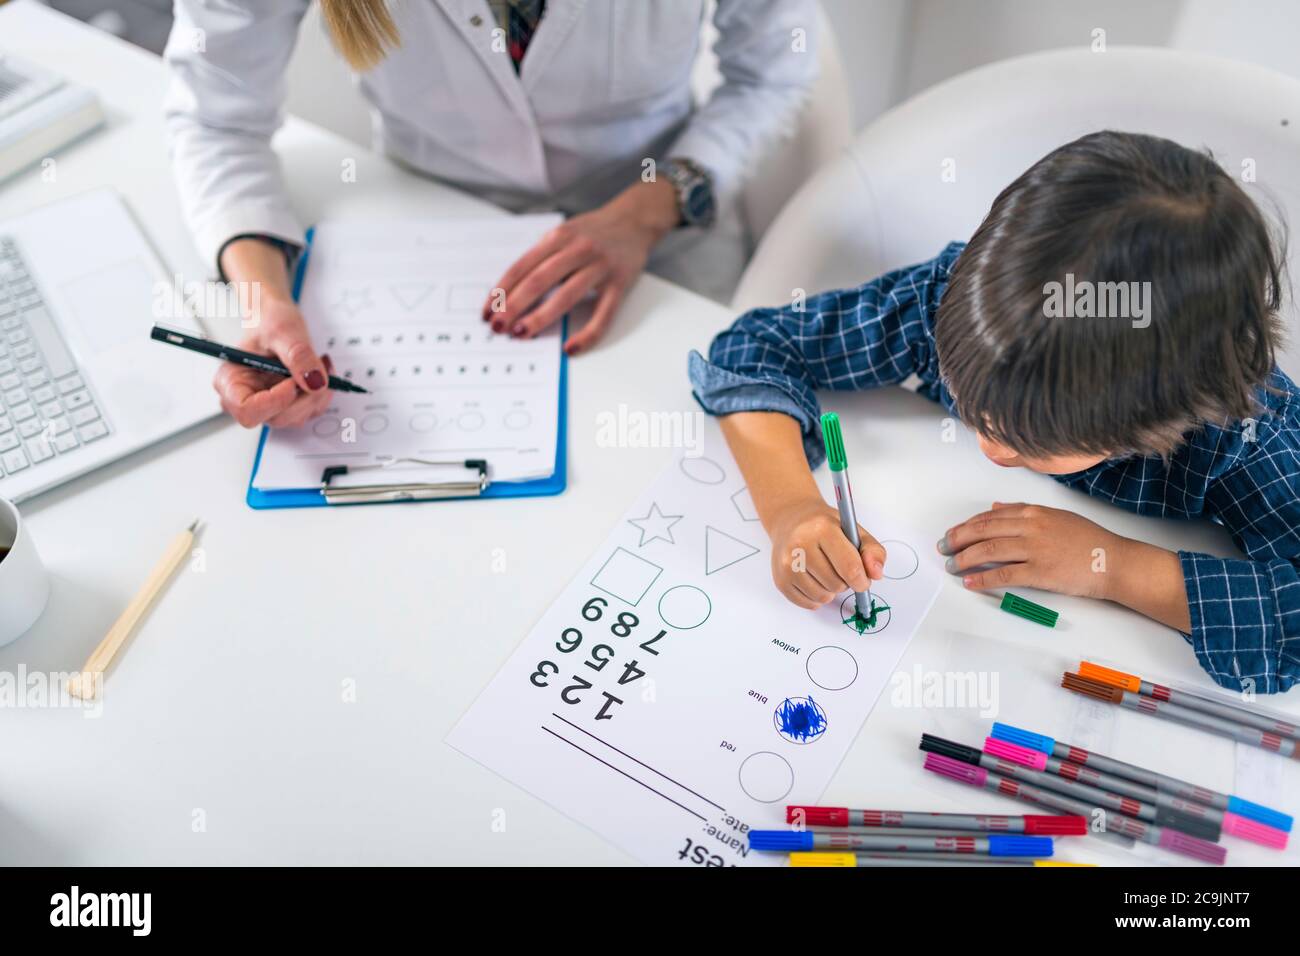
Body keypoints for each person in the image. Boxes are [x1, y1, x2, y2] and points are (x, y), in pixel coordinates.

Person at [689, 130, 1299, 693]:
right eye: (971, 405)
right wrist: (790, 509)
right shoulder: (962, 305)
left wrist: (1108, 566)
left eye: (1027, 439)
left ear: (1158, 422)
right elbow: (754, 350)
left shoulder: (1248, 435)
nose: (988, 448)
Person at [164, 0, 819, 428]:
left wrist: (646, 212)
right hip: (432, 241)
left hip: (665, 239)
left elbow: (772, 76)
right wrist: (266, 302)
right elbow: (216, 122)